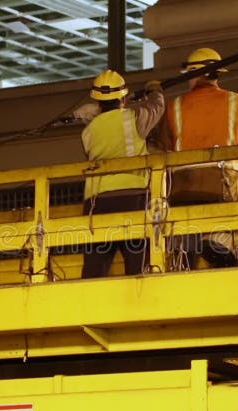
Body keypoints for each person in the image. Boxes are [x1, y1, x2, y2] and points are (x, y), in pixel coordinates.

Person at [160, 47, 238, 270]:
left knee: (185, 247)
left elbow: (163, 147)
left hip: (182, 190)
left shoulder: (174, 106)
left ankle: (185, 266)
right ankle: (220, 250)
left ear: (194, 75)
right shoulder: (236, 102)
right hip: (222, 188)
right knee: (232, 238)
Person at [77, 69, 165, 278]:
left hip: (97, 203)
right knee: (138, 264)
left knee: (95, 267)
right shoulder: (134, 117)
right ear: (124, 98)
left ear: (97, 101)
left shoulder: (87, 132)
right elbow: (157, 108)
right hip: (133, 197)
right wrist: (155, 90)